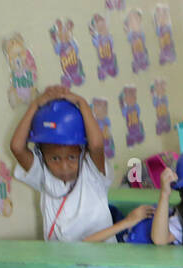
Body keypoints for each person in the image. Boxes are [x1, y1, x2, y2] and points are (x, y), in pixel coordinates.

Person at [10, 87, 122, 242]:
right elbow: (17, 147)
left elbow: (96, 145)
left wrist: (82, 103)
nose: (64, 166)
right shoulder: (43, 175)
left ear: (82, 152)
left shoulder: (93, 172)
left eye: (71, 157)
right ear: (42, 156)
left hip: (101, 260)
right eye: (55, 159)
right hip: (62, 262)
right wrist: (34, 105)